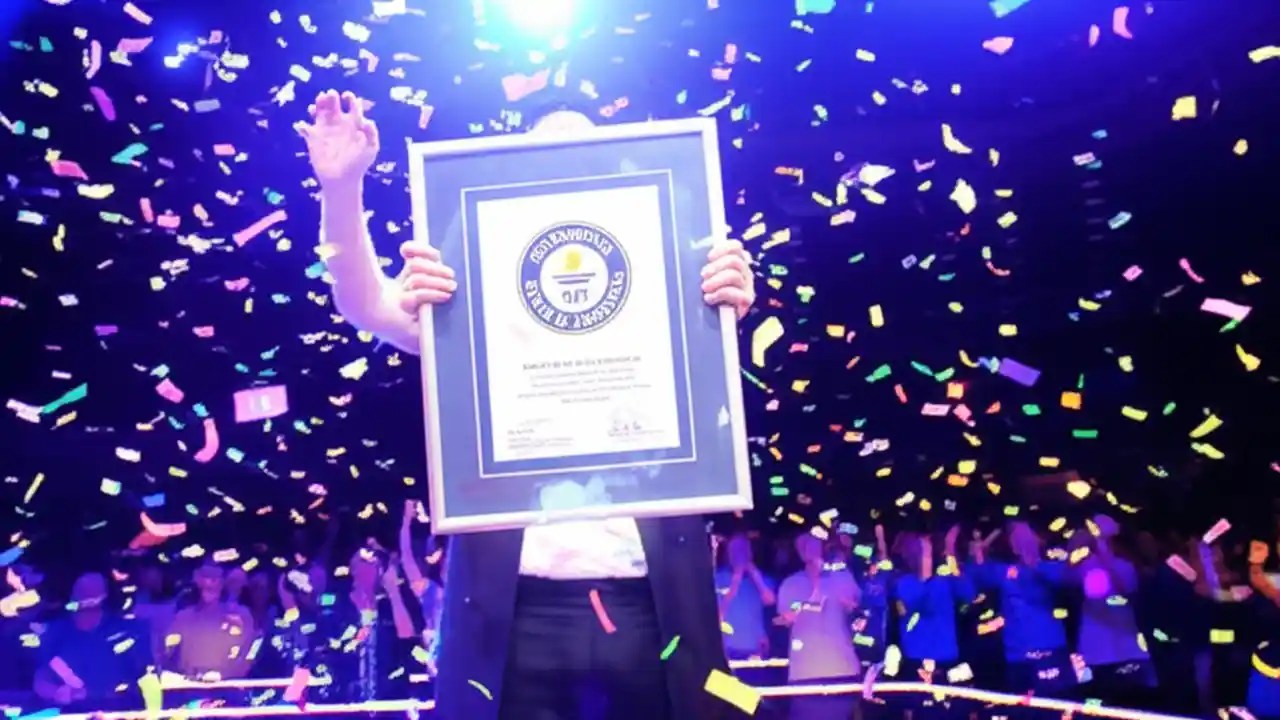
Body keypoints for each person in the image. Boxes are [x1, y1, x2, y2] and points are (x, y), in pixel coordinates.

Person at [297, 88, 755, 720]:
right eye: (549, 155)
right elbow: (362, 301)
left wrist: (720, 302)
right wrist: (341, 188)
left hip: (654, 606)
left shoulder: (667, 268)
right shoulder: (472, 290)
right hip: (513, 614)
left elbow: (711, 379)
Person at [776, 532, 861, 720]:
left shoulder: (841, 576)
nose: (810, 550)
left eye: (814, 545)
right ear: (799, 553)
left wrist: (830, 575)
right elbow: (785, 618)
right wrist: (812, 594)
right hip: (806, 673)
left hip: (842, 670)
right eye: (804, 546)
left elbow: (854, 604)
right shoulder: (791, 584)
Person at [33, 572, 147, 711]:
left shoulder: (125, 632)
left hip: (117, 711)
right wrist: (56, 692)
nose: (84, 600)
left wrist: (93, 694)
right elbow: (41, 679)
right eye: (80, 594)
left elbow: (137, 680)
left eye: (91, 595)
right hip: (71, 712)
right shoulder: (56, 633)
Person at [166, 563, 257, 680]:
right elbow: (168, 652)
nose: (210, 582)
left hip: (228, 685)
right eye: (206, 576)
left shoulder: (241, 615)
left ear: (223, 581)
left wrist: (224, 675)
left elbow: (247, 654)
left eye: (215, 578)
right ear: (197, 579)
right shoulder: (183, 616)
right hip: (189, 683)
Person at [715, 532, 776, 660]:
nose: (739, 554)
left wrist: (754, 574)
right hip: (728, 648)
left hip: (756, 648)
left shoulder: (762, 579)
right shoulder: (718, 579)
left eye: (743, 550)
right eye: (735, 550)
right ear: (728, 554)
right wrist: (735, 580)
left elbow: (770, 601)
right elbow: (717, 614)